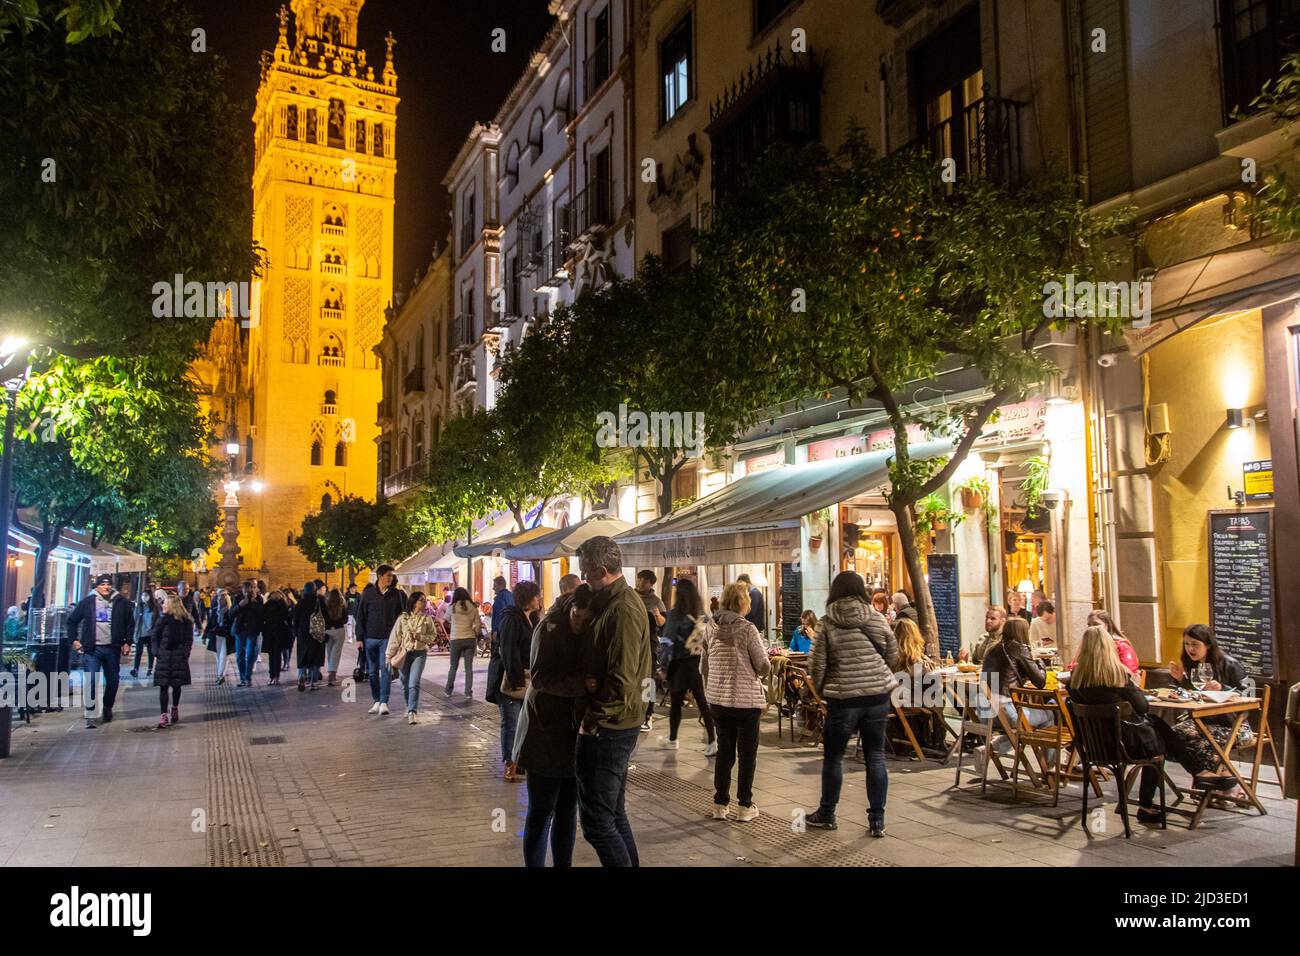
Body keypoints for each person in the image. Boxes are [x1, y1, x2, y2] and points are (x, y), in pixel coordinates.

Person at [574, 536, 652, 867]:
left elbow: (622, 678)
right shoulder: (612, 602)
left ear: (602, 570)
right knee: (613, 815)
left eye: (586, 574)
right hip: (615, 723)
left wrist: (592, 718)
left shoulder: (622, 608)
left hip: (610, 727)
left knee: (597, 824)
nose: (584, 581)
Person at [1067, 625, 1195, 824]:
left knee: (1158, 727)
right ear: (1109, 648)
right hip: (1125, 746)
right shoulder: (1118, 676)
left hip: (1094, 748)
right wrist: (1134, 685)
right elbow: (1143, 707)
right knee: (1157, 745)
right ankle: (1148, 804)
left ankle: (1197, 770)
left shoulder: (1074, 680)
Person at [803, 571, 897, 835]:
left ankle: (827, 813)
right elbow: (893, 654)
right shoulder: (877, 619)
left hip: (843, 698)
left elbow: (816, 663)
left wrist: (823, 691)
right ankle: (877, 820)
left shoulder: (826, 624)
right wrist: (876, 678)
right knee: (875, 755)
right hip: (878, 697)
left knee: (834, 757)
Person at [515, 584, 595, 867]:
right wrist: (581, 685)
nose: (580, 624)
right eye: (577, 616)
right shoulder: (548, 628)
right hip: (543, 731)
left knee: (566, 812)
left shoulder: (589, 632)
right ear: (570, 607)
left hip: (573, 734)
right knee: (541, 811)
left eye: (585, 620)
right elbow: (539, 678)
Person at [702, 581, 770, 823]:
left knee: (725, 753)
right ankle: (744, 805)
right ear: (743, 602)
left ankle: (720, 804)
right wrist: (760, 671)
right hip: (746, 703)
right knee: (747, 754)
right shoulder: (747, 629)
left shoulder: (710, 627)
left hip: (719, 702)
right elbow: (763, 665)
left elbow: (704, 665)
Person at [1166, 623, 1252, 794]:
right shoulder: (1191, 665)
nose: (1190, 648)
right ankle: (1220, 779)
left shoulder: (1230, 664)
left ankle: (1227, 784)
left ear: (1209, 645)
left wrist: (1224, 689)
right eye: (1187, 644)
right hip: (1202, 722)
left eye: (1195, 644)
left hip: (1234, 726)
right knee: (1172, 735)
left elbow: (1249, 697)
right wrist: (1180, 681)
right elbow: (1195, 695)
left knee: (1201, 742)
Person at [979, 617, 1053, 772]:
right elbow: (1040, 682)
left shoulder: (993, 649)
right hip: (1006, 712)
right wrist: (1042, 664)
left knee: (1024, 729)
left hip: (986, 714)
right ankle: (1050, 769)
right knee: (1049, 714)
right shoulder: (1019, 648)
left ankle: (991, 746)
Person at [490, 580, 542, 781]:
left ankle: (521, 761)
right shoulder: (511, 618)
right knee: (511, 722)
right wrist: (515, 678)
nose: (539, 599)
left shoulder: (534, 618)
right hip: (511, 677)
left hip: (530, 677)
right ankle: (510, 763)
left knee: (526, 722)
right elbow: (508, 650)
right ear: (528, 598)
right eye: (536, 596)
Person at [67, 573, 134, 728]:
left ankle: (107, 707)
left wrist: (128, 642)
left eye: (108, 584)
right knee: (91, 680)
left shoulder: (121, 602)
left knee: (113, 680)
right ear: (97, 586)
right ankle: (90, 713)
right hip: (92, 649)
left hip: (112, 647)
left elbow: (130, 623)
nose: (106, 587)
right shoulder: (87, 602)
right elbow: (72, 621)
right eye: (102, 584)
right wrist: (74, 640)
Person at [660, 578, 717, 755]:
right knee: (702, 702)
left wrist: (662, 666)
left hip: (679, 665)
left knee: (676, 703)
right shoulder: (703, 615)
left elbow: (668, 642)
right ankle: (712, 740)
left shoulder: (675, 615)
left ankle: (673, 739)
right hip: (697, 664)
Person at [357, 565, 407, 715]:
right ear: (380, 576)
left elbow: (403, 616)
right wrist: (359, 638)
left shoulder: (397, 594)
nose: (390, 578)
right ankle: (376, 700)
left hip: (388, 639)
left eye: (391, 576)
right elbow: (361, 616)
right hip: (370, 638)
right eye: (388, 575)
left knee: (385, 671)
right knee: (372, 672)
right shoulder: (368, 594)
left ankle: (384, 702)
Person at [385, 591, 439, 723]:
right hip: (404, 653)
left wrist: (420, 637)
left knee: (414, 682)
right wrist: (388, 655)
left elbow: (433, 636)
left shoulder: (427, 619)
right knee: (404, 682)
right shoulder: (403, 618)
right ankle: (408, 705)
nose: (424, 602)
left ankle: (412, 711)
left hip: (420, 653)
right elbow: (395, 637)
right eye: (421, 600)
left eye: (425, 600)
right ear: (414, 602)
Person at [151, 593, 194, 728]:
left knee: (176, 685)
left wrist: (185, 653)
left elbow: (188, 639)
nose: (163, 605)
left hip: (178, 657)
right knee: (163, 687)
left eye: (165, 603)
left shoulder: (185, 622)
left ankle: (174, 707)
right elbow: (154, 636)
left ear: (172, 605)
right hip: (164, 657)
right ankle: (163, 715)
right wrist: (156, 652)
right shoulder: (162, 620)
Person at [635, 569, 668, 733]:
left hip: (649, 644)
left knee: (648, 679)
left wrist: (656, 615)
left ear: (651, 583)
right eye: (639, 579)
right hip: (632, 643)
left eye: (644, 580)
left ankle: (648, 714)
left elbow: (663, 624)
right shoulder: (631, 596)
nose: (640, 582)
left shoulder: (656, 601)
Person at [444, 587, 483, 697]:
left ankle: (448, 690)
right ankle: (468, 692)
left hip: (456, 638)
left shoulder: (452, 607)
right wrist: (475, 633)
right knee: (469, 668)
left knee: (453, 666)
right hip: (470, 638)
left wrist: (453, 626)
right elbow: (478, 625)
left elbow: (445, 620)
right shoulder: (473, 608)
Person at [293, 581, 327, 691]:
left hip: (303, 634)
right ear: (314, 590)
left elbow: (295, 619)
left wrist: (296, 632)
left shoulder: (301, 603)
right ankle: (314, 682)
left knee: (303, 656)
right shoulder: (320, 601)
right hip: (317, 634)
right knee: (316, 658)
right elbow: (326, 617)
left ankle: (302, 676)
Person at [1082, 609, 1140, 674]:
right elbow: (1074, 666)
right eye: (1089, 625)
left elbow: (1129, 672)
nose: (1091, 628)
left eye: (1096, 624)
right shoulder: (1087, 644)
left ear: (1108, 625)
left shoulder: (1122, 646)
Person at [231, 580, 263, 688]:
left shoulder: (258, 599)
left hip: (252, 631)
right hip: (240, 630)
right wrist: (240, 605)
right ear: (242, 589)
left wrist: (253, 602)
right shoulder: (238, 598)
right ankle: (242, 678)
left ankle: (248, 678)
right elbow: (231, 613)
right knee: (240, 656)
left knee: (250, 654)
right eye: (245, 589)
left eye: (250, 588)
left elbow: (261, 615)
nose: (247, 591)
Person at [260, 591, 292, 685]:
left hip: (275, 633)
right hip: (274, 633)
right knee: (274, 655)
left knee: (275, 655)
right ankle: (274, 676)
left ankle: (274, 676)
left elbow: (285, 615)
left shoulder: (278, 604)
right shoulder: (272, 605)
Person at [205, 589, 234, 684]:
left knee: (224, 656)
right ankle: (220, 674)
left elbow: (232, 623)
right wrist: (205, 636)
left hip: (226, 636)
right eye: (219, 598)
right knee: (218, 657)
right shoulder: (215, 611)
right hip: (216, 636)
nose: (220, 600)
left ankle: (220, 675)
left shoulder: (230, 611)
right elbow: (210, 623)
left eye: (222, 598)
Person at [130, 587, 160, 678]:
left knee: (150, 652)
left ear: (150, 596)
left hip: (150, 633)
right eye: (143, 595)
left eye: (146, 595)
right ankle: (136, 669)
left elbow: (157, 620)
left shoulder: (154, 608)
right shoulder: (139, 607)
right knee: (138, 652)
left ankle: (150, 669)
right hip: (141, 633)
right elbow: (135, 619)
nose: (144, 597)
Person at [322, 587, 349, 686]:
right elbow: (345, 619)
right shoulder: (342, 605)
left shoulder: (326, 605)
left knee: (329, 651)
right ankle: (332, 674)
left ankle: (330, 671)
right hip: (339, 629)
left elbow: (323, 618)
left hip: (328, 630)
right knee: (336, 652)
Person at [736, 573, 766, 639]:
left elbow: (751, 612)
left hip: (756, 627)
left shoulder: (754, 593)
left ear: (745, 582)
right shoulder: (753, 592)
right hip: (755, 626)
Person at [490, 575, 514, 650]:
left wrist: (495, 630)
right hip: (511, 629)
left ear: (500, 586)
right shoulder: (511, 596)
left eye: (495, 586)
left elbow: (499, 615)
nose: (493, 588)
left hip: (501, 630)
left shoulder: (500, 598)